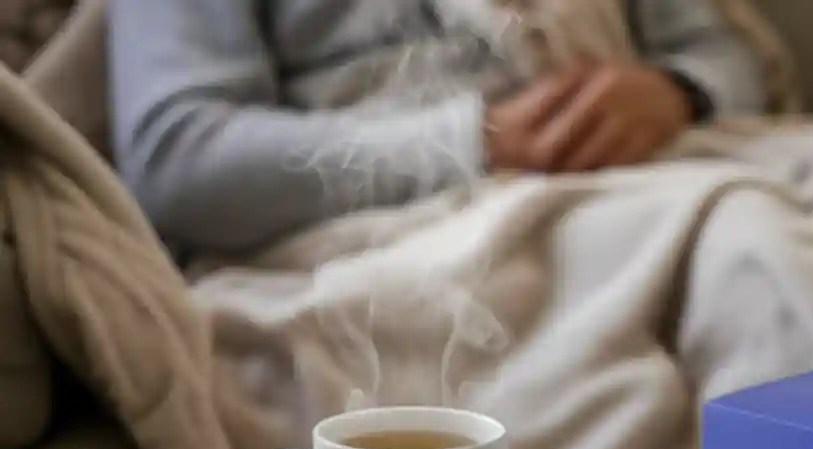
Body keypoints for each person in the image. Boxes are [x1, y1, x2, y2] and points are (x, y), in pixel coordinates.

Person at [108, 0, 767, 258]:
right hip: (399, 231)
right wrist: (473, 141)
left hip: (677, 164)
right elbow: (177, 160)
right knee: (749, 252)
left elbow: (733, 60)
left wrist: (676, 93)